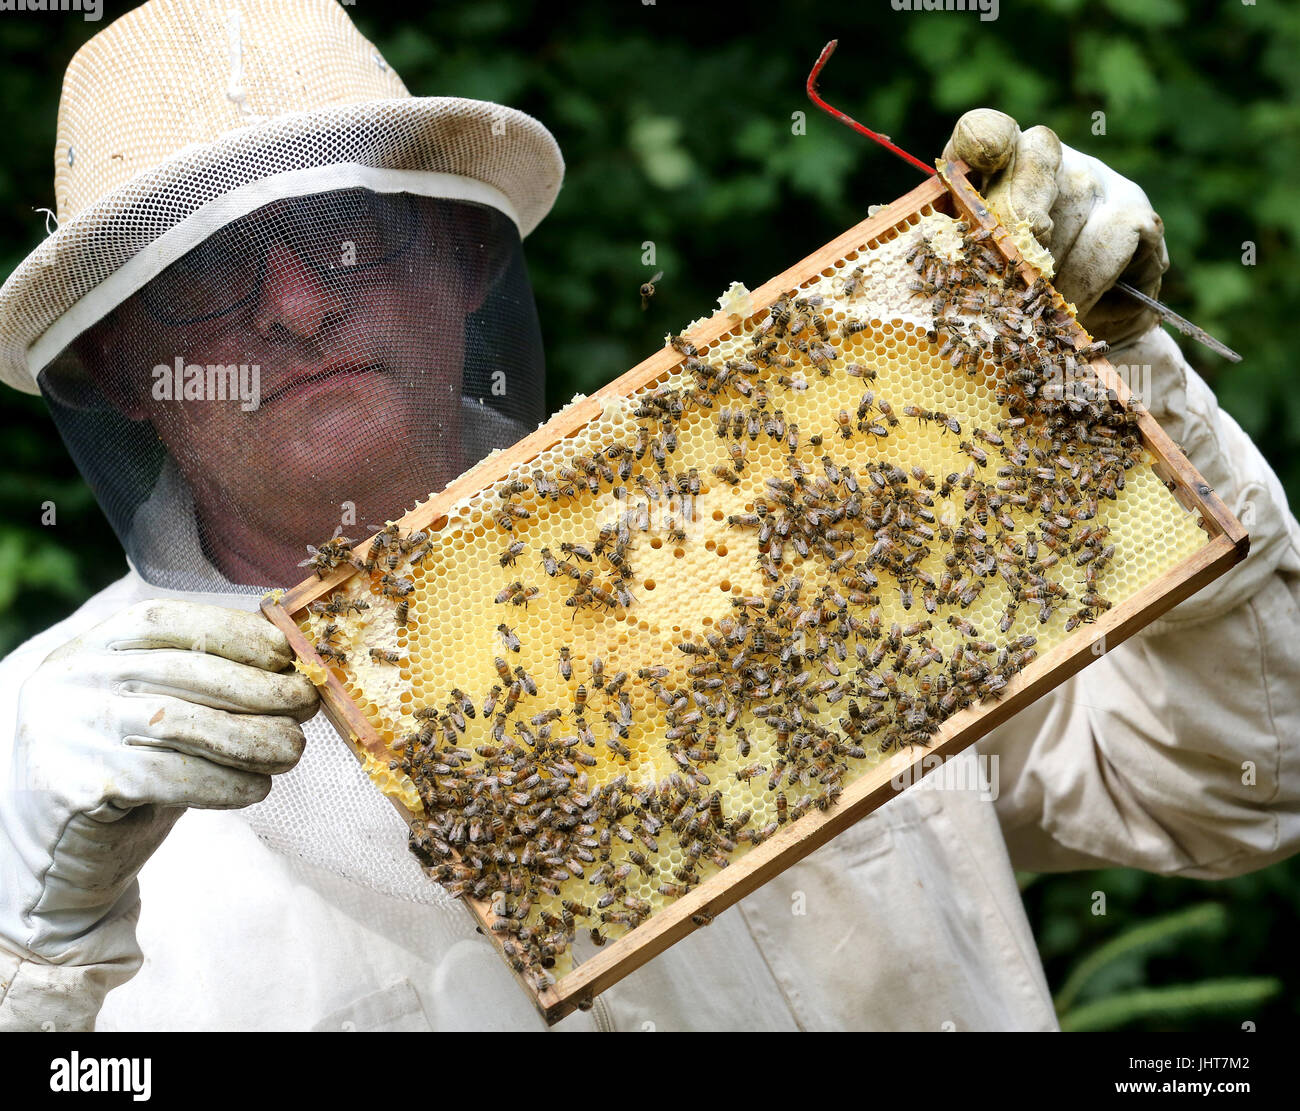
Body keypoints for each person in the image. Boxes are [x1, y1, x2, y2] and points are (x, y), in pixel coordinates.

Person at [2, 0, 1298, 1033]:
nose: (292, 304)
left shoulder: (793, 511)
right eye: (205, 276)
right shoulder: (43, 758)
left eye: (343, 233)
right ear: (115, 366)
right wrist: (31, 954)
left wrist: (1116, 380)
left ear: (460, 256)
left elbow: (1238, 787)